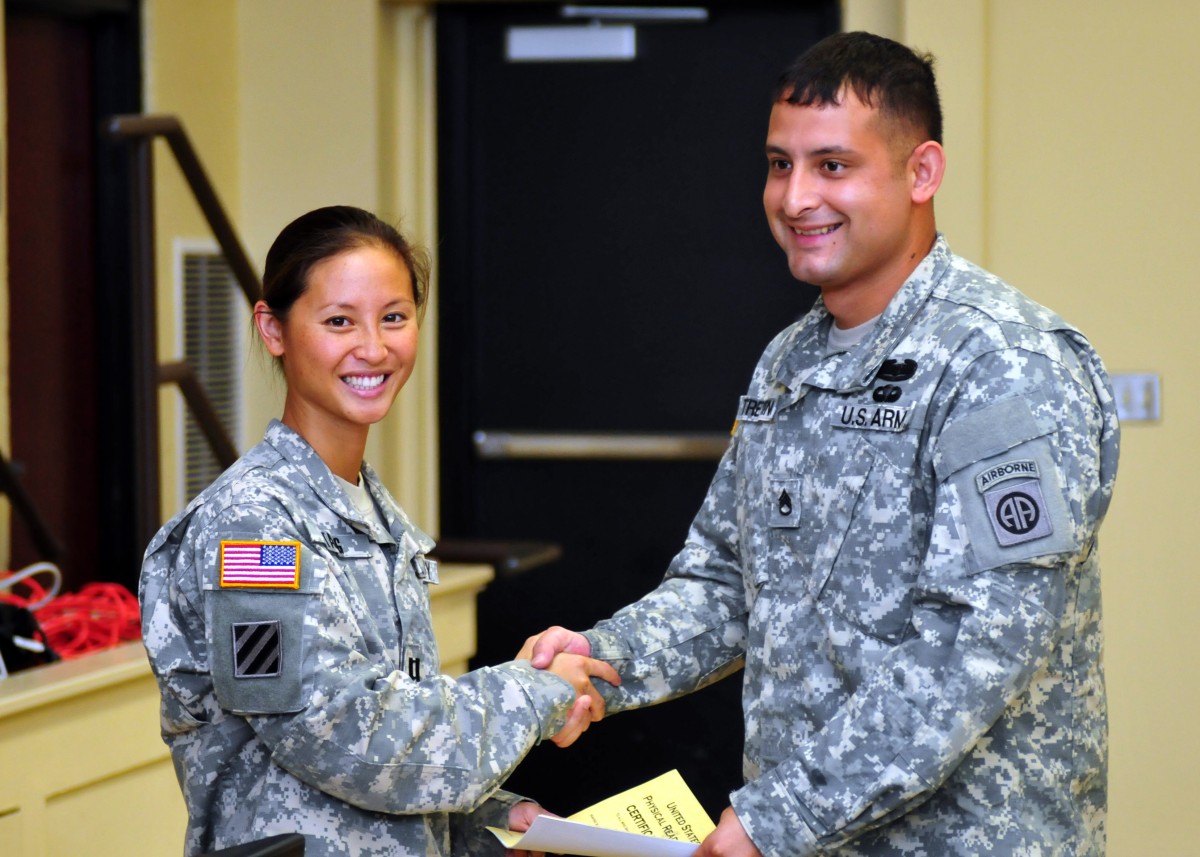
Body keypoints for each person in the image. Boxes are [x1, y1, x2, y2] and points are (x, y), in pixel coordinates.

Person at [521, 31, 1120, 857]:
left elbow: (972, 650)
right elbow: (727, 582)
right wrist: (602, 658)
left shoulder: (1004, 364)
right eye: (779, 164)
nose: (796, 196)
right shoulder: (789, 362)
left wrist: (778, 818)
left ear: (922, 172)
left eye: (832, 165)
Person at [139, 205, 619, 857]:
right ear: (273, 328)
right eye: (339, 320)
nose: (373, 347)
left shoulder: (379, 515)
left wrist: (497, 819)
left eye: (394, 317)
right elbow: (336, 734)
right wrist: (541, 690)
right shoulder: (251, 531)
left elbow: (391, 762)